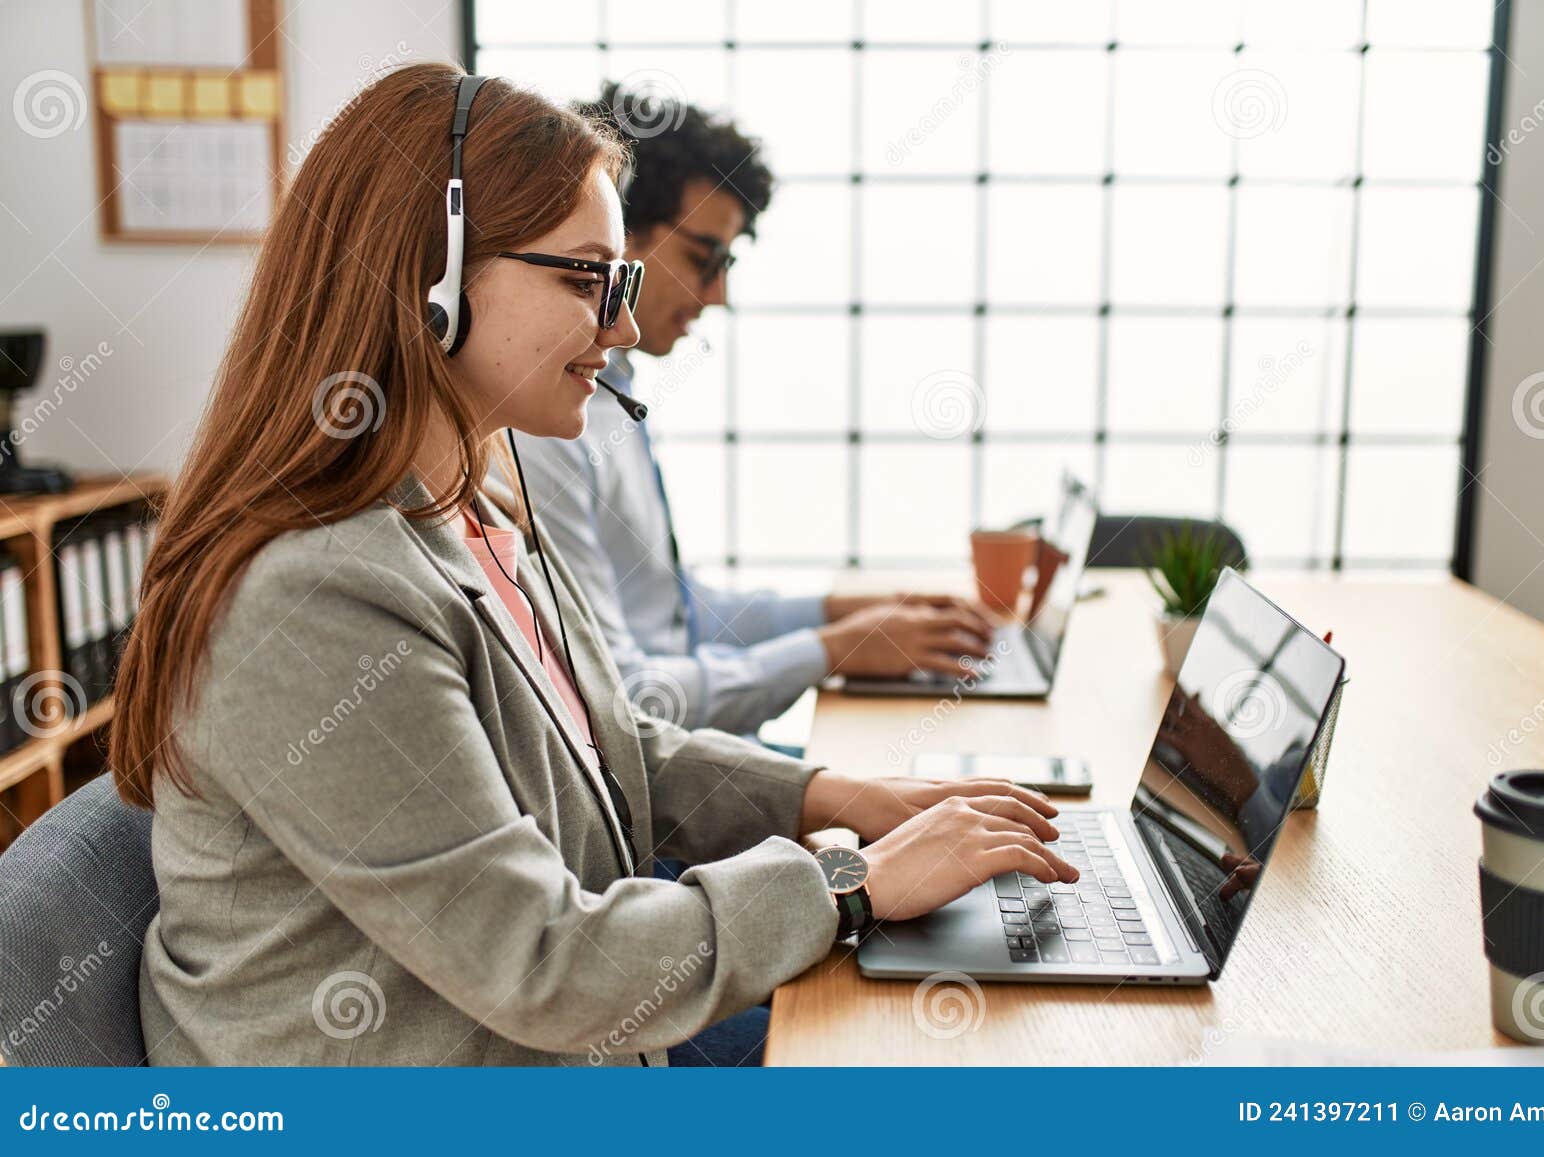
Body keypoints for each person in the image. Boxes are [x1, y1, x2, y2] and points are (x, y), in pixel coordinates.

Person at [109, 64, 1077, 1067]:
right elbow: (545, 964)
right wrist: (847, 879)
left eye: (619, 285)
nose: (619, 327)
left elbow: (618, 755)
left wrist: (834, 797)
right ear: (428, 276)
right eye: (585, 280)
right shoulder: (316, 594)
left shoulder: (467, 511)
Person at [511, 82, 996, 739]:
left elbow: (675, 614)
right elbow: (626, 700)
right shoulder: (545, 428)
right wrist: (832, 648)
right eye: (702, 259)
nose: (717, 295)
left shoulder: (606, 395)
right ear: (619, 237)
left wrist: (847, 615)